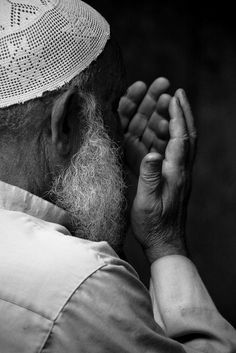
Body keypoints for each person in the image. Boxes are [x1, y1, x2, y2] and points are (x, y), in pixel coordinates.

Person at [0, 0, 235, 352]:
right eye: (111, 107)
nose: (117, 133)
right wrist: (164, 240)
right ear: (66, 121)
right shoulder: (82, 286)